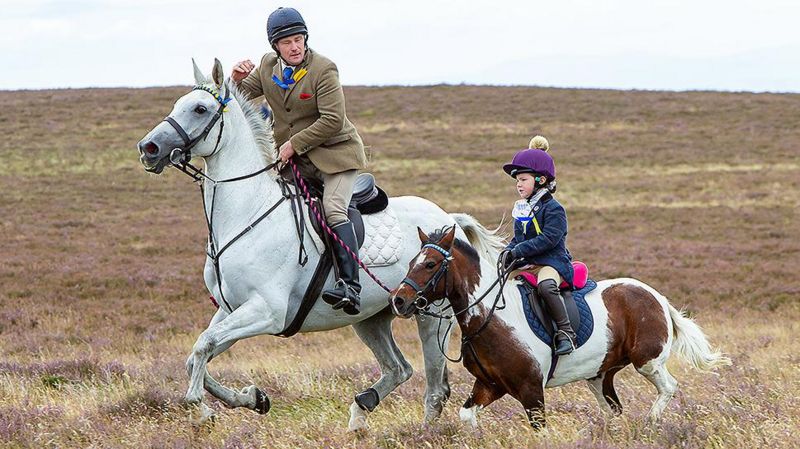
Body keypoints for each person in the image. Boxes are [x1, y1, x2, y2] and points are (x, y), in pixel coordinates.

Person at [230, 7, 368, 315]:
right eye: (287, 42)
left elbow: (333, 120)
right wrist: (235, 78)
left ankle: (351, 286)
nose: (295, 47)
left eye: (299, 39)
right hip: (297, 160)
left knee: (333, 210)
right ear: (274, 46)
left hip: (336, 156)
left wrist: (293, 144)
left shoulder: (324, 69)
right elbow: (239, 95)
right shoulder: (268, 66)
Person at [501, 136, 576, 355]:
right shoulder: (523, 209)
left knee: (546, 287)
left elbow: (549, 239)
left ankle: (566, 333)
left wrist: (519, 251)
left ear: (540, 180)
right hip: (528, 263)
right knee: (498, 284)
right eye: (517, 180)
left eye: (523, 179)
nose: (518, 184)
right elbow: (518, 239)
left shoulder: (554, 209)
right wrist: (508, 250)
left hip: (551, 264)